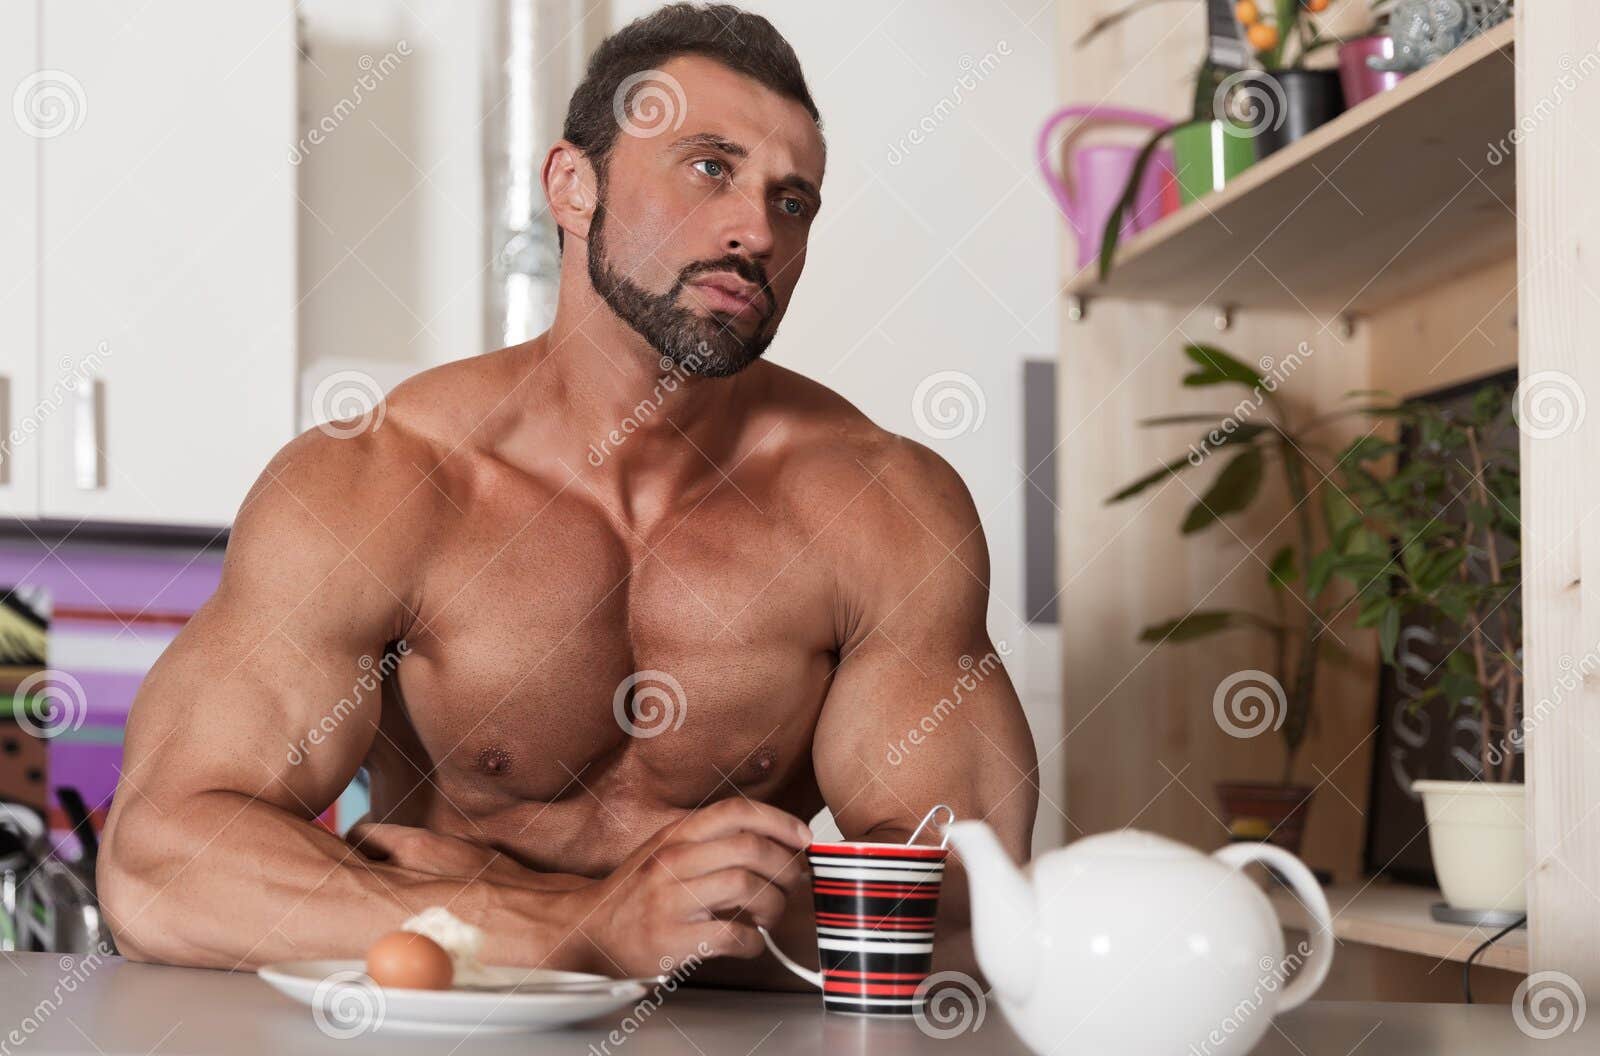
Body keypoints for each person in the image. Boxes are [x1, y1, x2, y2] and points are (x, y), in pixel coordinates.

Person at [99, 2, 1037, 988]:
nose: (754, 228)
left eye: (792, 200)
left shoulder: (882, 506)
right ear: (572, 185)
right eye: (709, 167)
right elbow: (159, 867)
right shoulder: (377, 483)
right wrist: (583, 920)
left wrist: (540, 909)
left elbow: (980, 908)